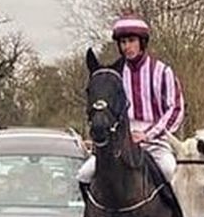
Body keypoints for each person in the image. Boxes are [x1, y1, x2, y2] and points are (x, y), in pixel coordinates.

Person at [77, 14, 185, 188]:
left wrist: (148, 134)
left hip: (155, 141)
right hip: (120, 139)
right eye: (123, 42)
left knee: (170, 171)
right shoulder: (114, 75)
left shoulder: (162, 71)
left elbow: (175, 109)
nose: (127, 46)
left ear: (142, 42)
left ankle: (180, 216)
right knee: (84, 175)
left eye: (131, 40)